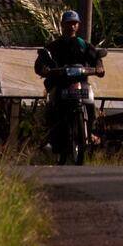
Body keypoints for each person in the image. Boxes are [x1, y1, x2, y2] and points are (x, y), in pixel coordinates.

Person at [35, 8, 105, 144]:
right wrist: (44, 69)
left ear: (78, 26)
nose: (71, 26)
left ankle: (89, 131)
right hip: (59, 84)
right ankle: (50, 136)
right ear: (62, 25)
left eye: (74, 23)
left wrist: (99, 67)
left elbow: (96, 56)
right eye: (68, 23)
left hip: (80, 84)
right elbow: (40, 62)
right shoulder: (53, 46)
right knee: (52, 108)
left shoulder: (83, 45)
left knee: (90, 105)